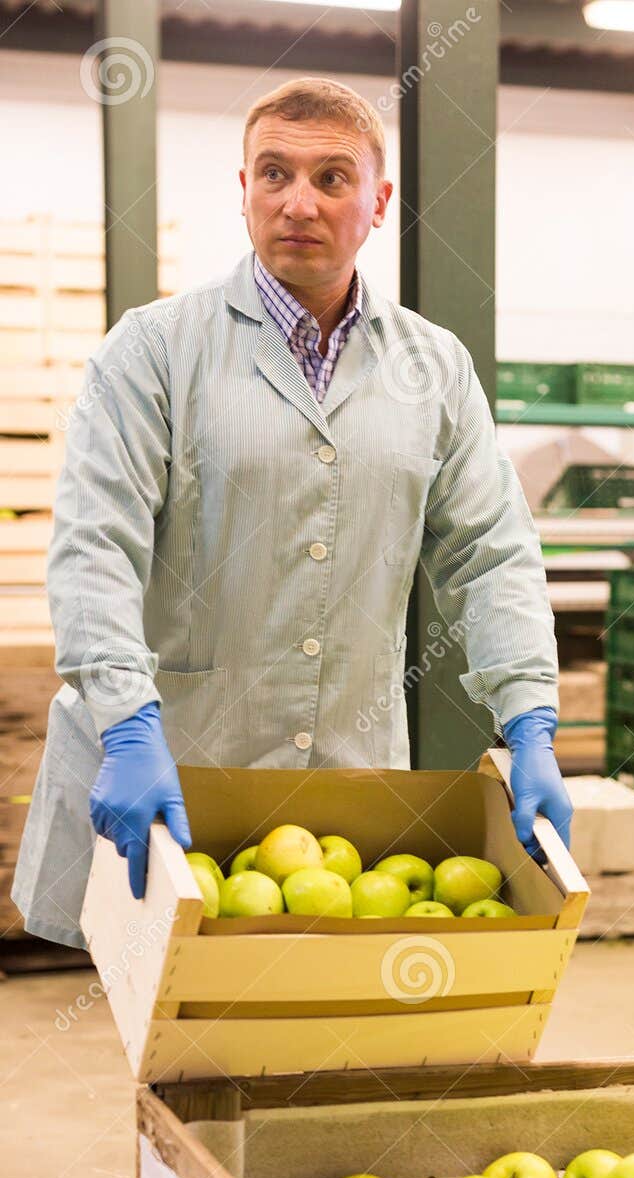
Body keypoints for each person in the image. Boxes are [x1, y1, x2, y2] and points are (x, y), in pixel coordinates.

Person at [15, 78, 571, 947]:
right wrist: (126, 722)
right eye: (273, 174)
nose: (298, 203)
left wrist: (528, 715)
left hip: (345, 792)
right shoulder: (154, 351)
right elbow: (95, 547)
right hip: (171, 770)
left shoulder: (434, 367)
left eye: (332, 178)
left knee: (318, 1033)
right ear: (242, 190)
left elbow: (492, 553)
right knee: (177, 1038)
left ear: (379, 201)